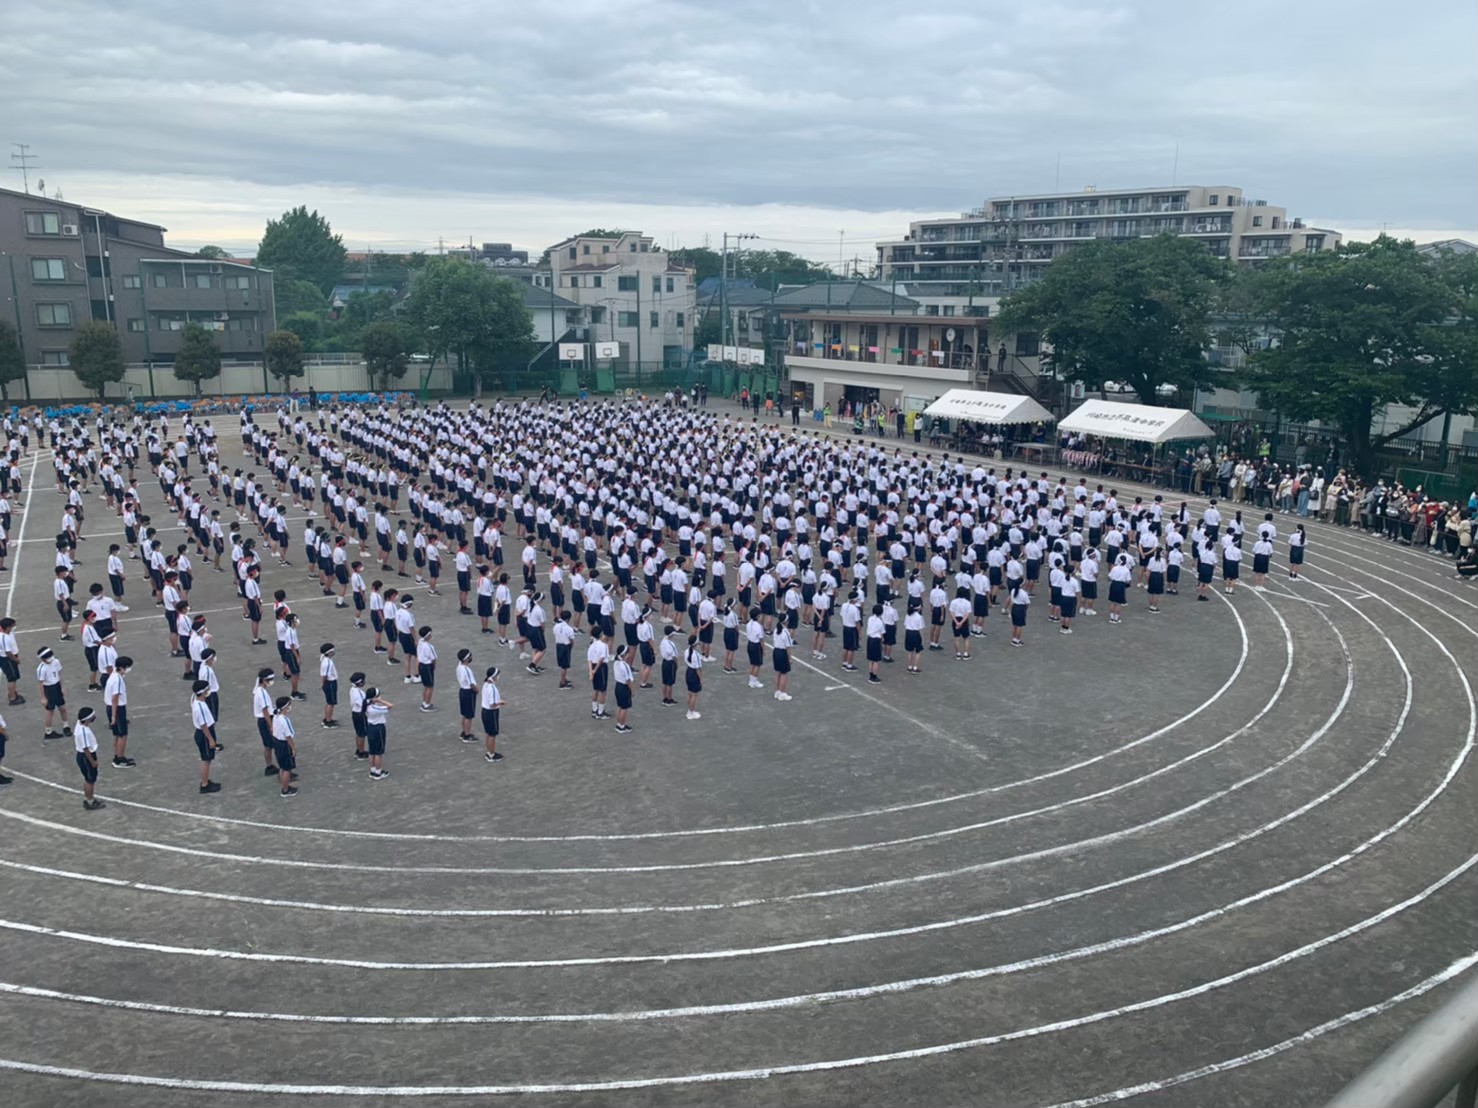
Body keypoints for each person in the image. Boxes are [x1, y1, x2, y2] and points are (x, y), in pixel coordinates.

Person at [191, 679, 221, 794]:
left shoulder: (196, 702)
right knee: (206, 759)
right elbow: (204, 725)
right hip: (205, 734)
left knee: (206, 758)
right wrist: (211, 739)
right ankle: (204, 784)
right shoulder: (201, 707)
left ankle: (205, 781)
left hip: (202, 733)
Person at [36, 646, 71, 742]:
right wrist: (43, 697)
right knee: (50, 711)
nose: (50, 658)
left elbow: (60, 674)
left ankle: (66, 726)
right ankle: (48, 732)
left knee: (62, 708)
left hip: (57, 686)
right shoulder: (41, 669)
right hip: (49, 689)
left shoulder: (56, 662)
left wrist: (62, 687)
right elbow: (41, 684)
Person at [74, 706, 104, 810]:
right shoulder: (84, 732)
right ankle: (90, 801)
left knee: (88, 779)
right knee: (90, 779)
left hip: (82, 756)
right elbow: (86, 748)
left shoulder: (79, 725)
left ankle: (88, 798)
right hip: (87, 757)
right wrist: (93, 762)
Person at [272, 695, 299, 798]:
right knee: (287, 768)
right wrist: (293, 748)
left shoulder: (276, 716)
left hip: (277, 742)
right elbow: (288, 736)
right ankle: (285, 789)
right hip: (284, 745)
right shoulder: (284, 720)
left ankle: (283, 782)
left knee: (282, 766)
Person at [253, 668, 278, 775]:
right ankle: (283, 768)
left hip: (263, 720)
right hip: (266, 720)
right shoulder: (262, 693)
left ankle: (269, 765)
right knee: (276, 744)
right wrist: (271, 725)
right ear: (264, 680)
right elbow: (265, 710)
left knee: (268, 745)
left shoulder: (259, 690)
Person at [364, 686, 392, 779]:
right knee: (378, 752)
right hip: (378, 729)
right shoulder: (374, 709)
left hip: (370, 728)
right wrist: (380, 701)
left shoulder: (366, 705)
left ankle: (373, 770)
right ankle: (378, 772)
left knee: (372, 751)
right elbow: (390, 706)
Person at [612, 644, 635, 733]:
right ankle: (622, 726)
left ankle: (619, 724)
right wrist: (632, 691)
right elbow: (628, 680)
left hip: (618, 686)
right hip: (624, 687)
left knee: (620, 706)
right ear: (625, 654)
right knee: (624, 708)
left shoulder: (616, 663)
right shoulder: (624, 665)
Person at [415, 625, 437, 711]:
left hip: (421, 665)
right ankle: (427, 705)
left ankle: (424, 702)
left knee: (425, 686)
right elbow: (433, 659)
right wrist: (433, 667)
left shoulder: (420, 641)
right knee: (430, 686)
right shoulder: (429, 647)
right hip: (427, 666)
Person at [771, 620, 794, 701]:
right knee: (784, 673)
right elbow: (788, 646)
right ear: (786, 622)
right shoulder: (785, 632)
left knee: (778, 672)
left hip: (775, 651)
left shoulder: (776, 629)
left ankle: (777, 691)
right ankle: (782, 693)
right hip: (782, 653)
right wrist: (790, 658)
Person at [683, 633, 703, 720]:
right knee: (694, 694)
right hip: (694, 674)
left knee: (690, 693)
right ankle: (691, 711)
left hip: (688, 672)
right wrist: (700, 679)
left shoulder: (686, 651)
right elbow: (698, 669)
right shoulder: (696, 655)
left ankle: (690, 710)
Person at [319, 643, 340, 728]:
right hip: (330, 683)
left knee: (329, 702)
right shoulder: (327, 663)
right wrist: (323, 685)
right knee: (331, 703)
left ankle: (328, 718)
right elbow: (325, 675)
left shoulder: (325, 660)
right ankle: (328, 721)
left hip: (329, 683)